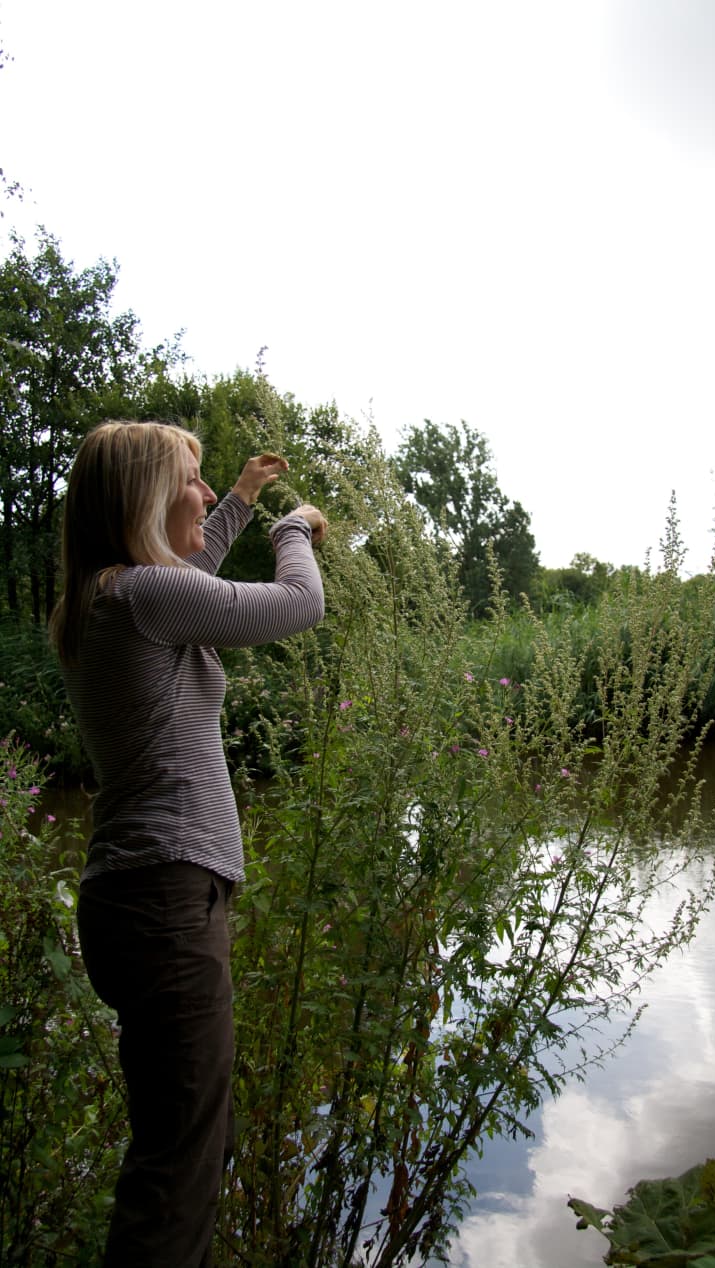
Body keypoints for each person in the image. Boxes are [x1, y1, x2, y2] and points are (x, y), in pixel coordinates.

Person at [49, 419, 327, 1267]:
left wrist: (241, 497)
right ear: (144, 498)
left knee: (187, 1147)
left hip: (135, 898)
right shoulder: (144, 596)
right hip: (168, 899)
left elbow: (192, 567)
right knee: (178, 1174)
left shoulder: (104, 597)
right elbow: (299, 603)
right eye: (193, 483)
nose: (205, 498)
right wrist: (289, 526)